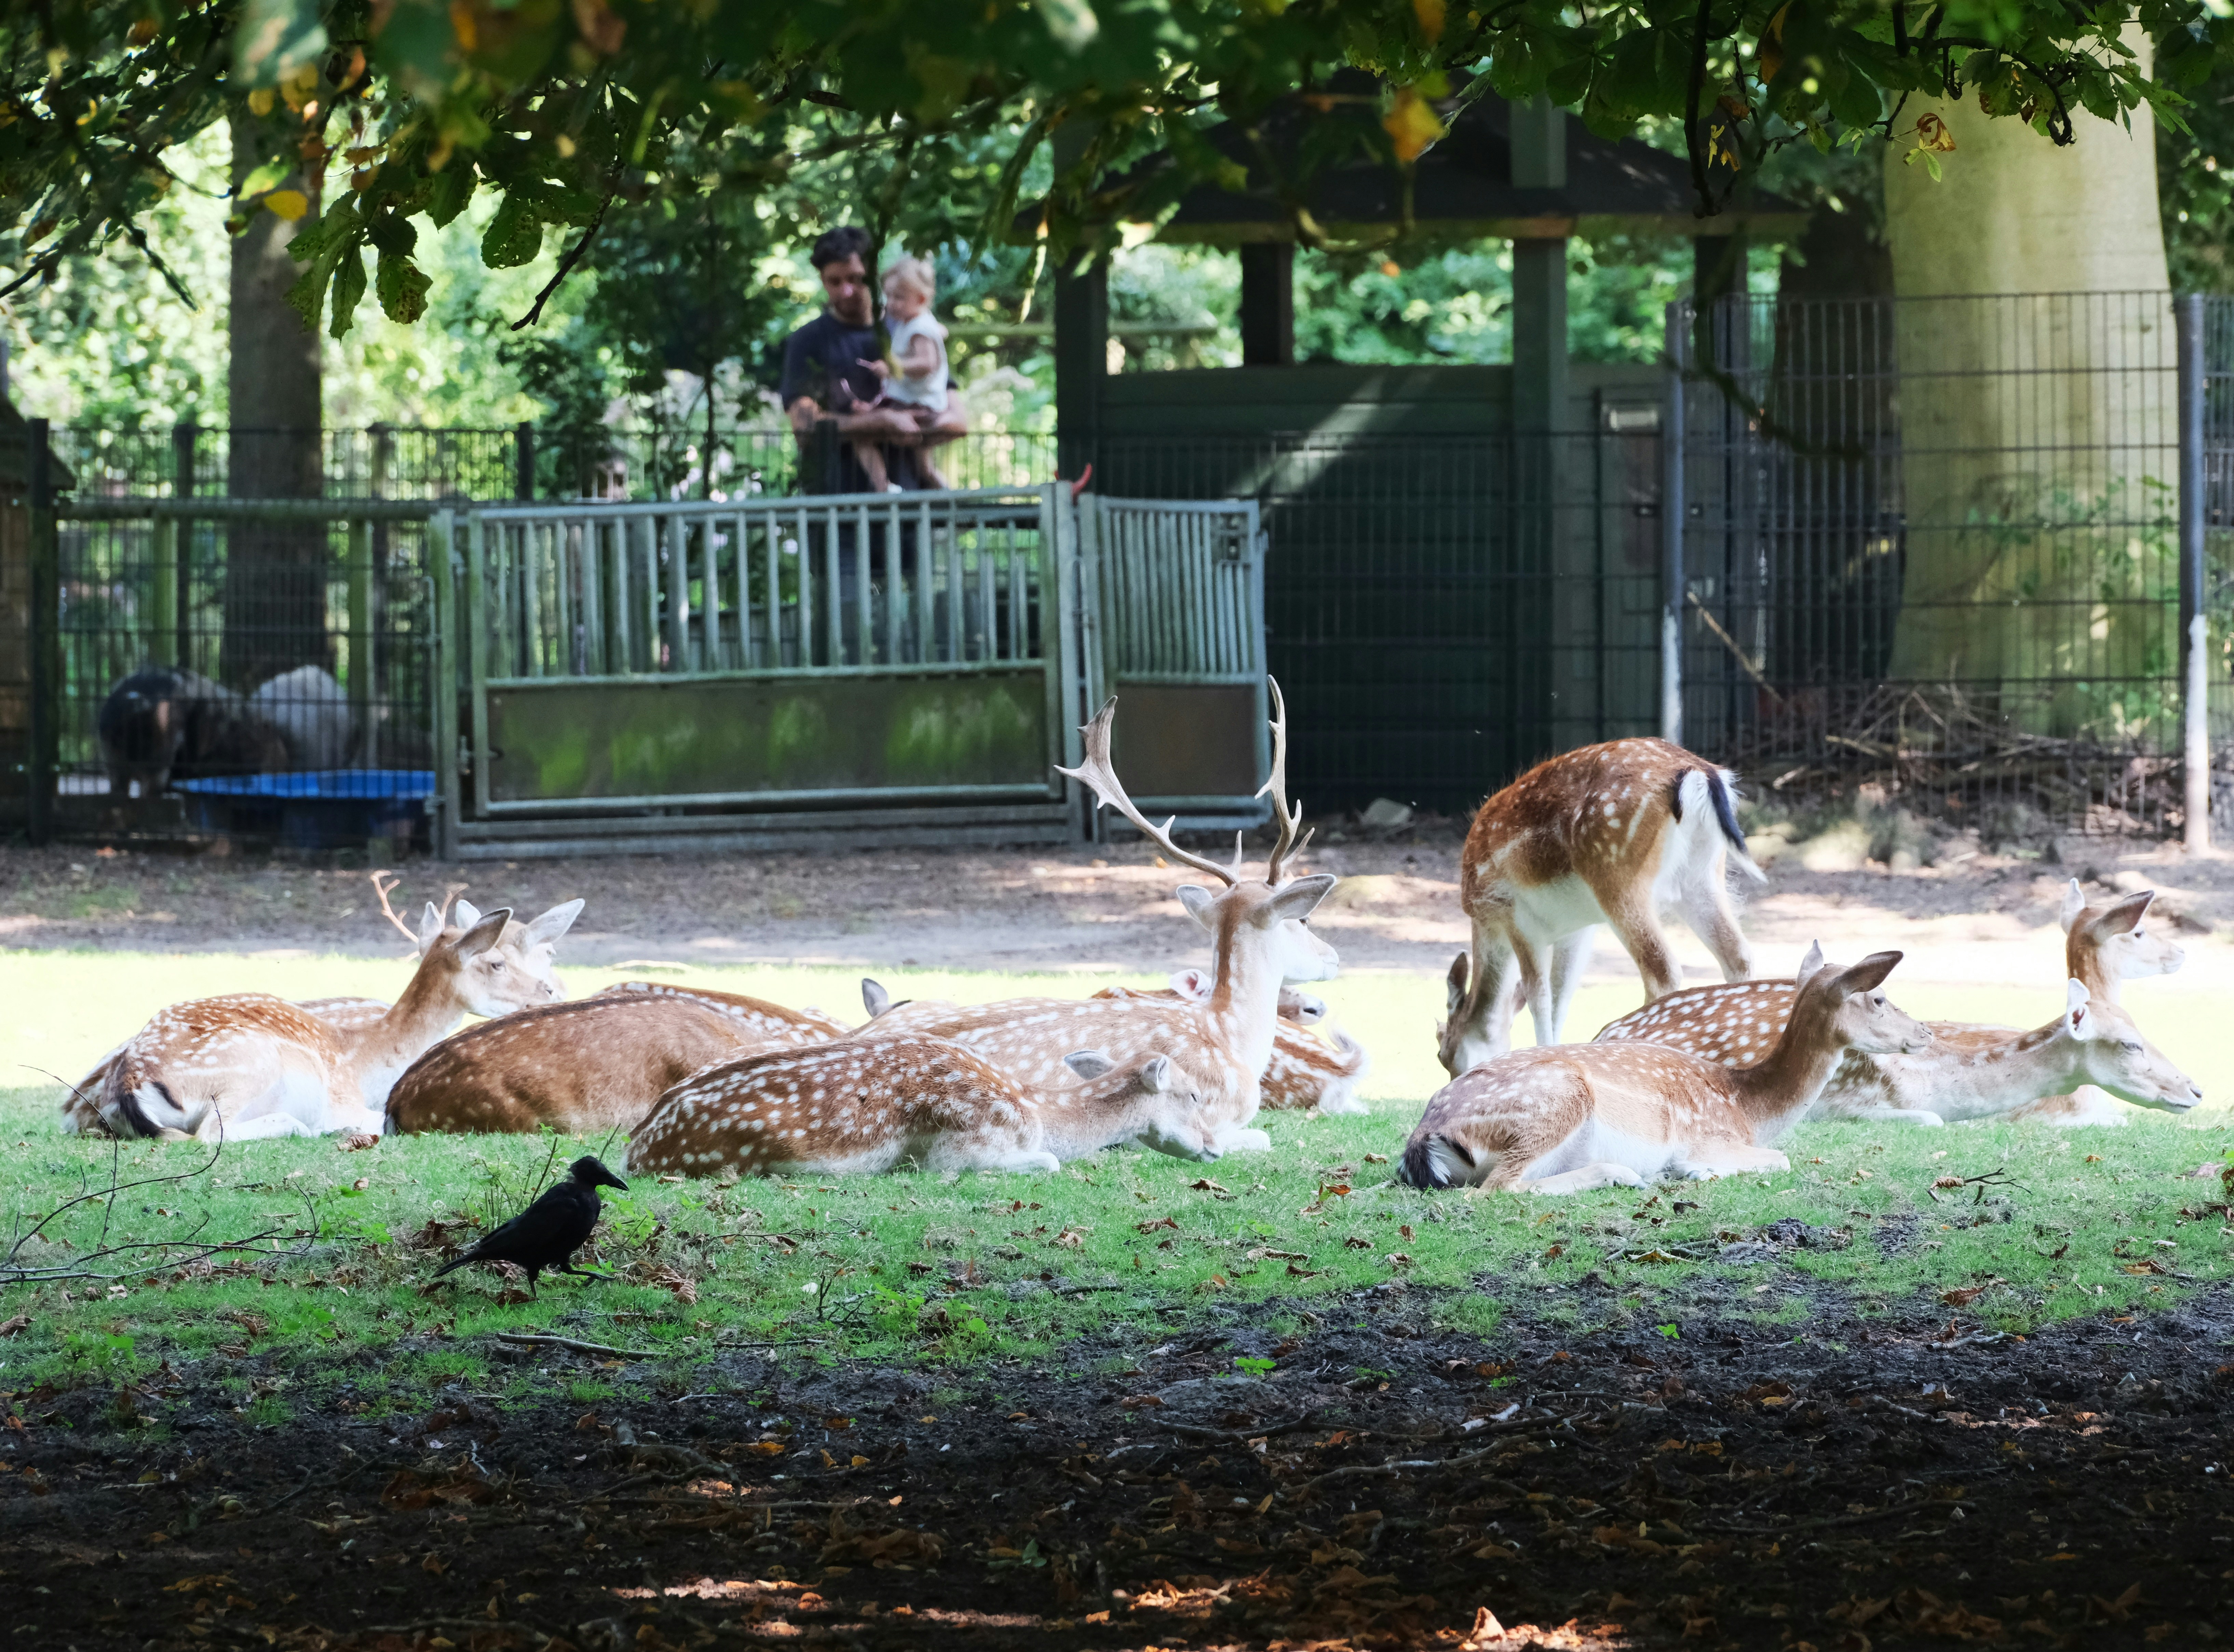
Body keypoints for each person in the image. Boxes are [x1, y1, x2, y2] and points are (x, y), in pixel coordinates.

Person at [780, 227, 943, 493]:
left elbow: (956, 420)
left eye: (856, 279)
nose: (847, 291)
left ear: (874, 275)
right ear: (822, 281)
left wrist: (912, 421)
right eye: (835, 282)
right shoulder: (807, 341)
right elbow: (804, 427)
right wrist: (883, 421)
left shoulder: (907, 331)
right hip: (833, 509)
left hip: (908, 507)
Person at [858, 256, 967, 491]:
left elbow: (927, 363)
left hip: (918, 404)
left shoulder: (919, 328)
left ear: (921, 299)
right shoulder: (913, 321)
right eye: (888, 297)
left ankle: (884, 488)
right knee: (924, 468)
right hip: (916, 400)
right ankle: (950, 498)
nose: (891, 304)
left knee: (863, 435)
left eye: (898, 298)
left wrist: (893, 367)